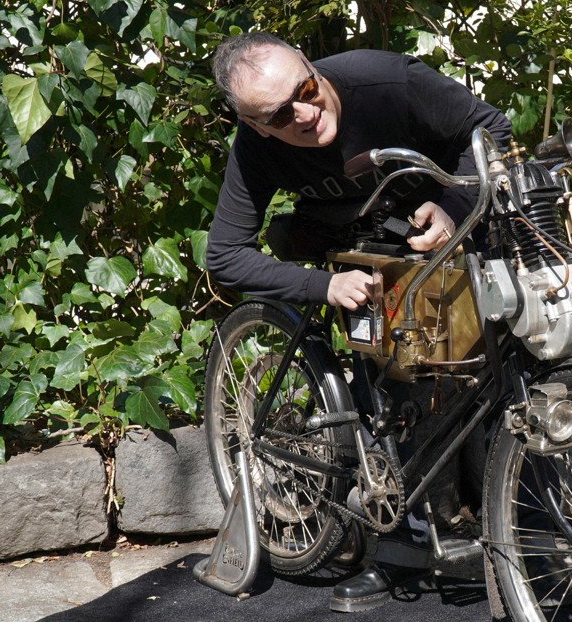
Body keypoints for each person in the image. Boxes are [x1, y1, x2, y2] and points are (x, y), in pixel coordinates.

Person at [206, 32, 512, 612]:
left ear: (310, 65)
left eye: (306, 88)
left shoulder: (386, 82)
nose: (303, 111)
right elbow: (223, 254)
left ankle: (501, 522)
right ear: (254, 125)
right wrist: (323, 286)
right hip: (358, 253)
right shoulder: (256, 148)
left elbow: (491, 128)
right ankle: (394, 549)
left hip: (449, 230)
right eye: (277, 114)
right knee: (391, 392)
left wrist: (450, 206)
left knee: (485, 379)